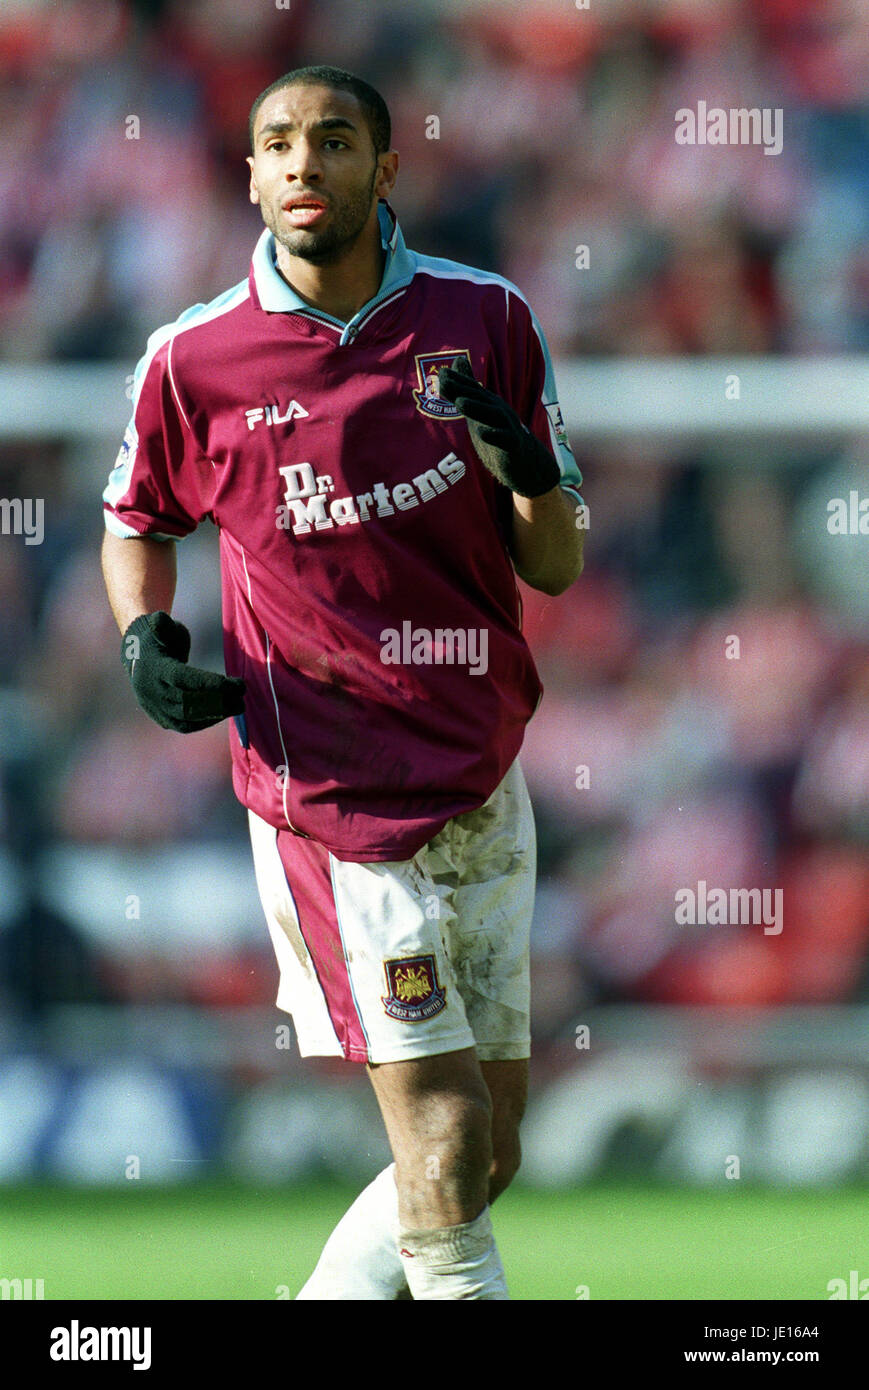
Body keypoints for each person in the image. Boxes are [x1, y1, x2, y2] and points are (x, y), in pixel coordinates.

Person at [101, 64, 584, 1300]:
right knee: (439, 1135)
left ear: (386, 169)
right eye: (276, 143)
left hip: (478, 767)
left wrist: (531, 477)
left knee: (491, 1142)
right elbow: (135, 518)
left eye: (332, 139)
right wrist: (141, 636)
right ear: (251, 176)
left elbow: (556, 563)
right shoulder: (193, 358)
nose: (302, 162)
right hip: (329, 791)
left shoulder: (486, 321)